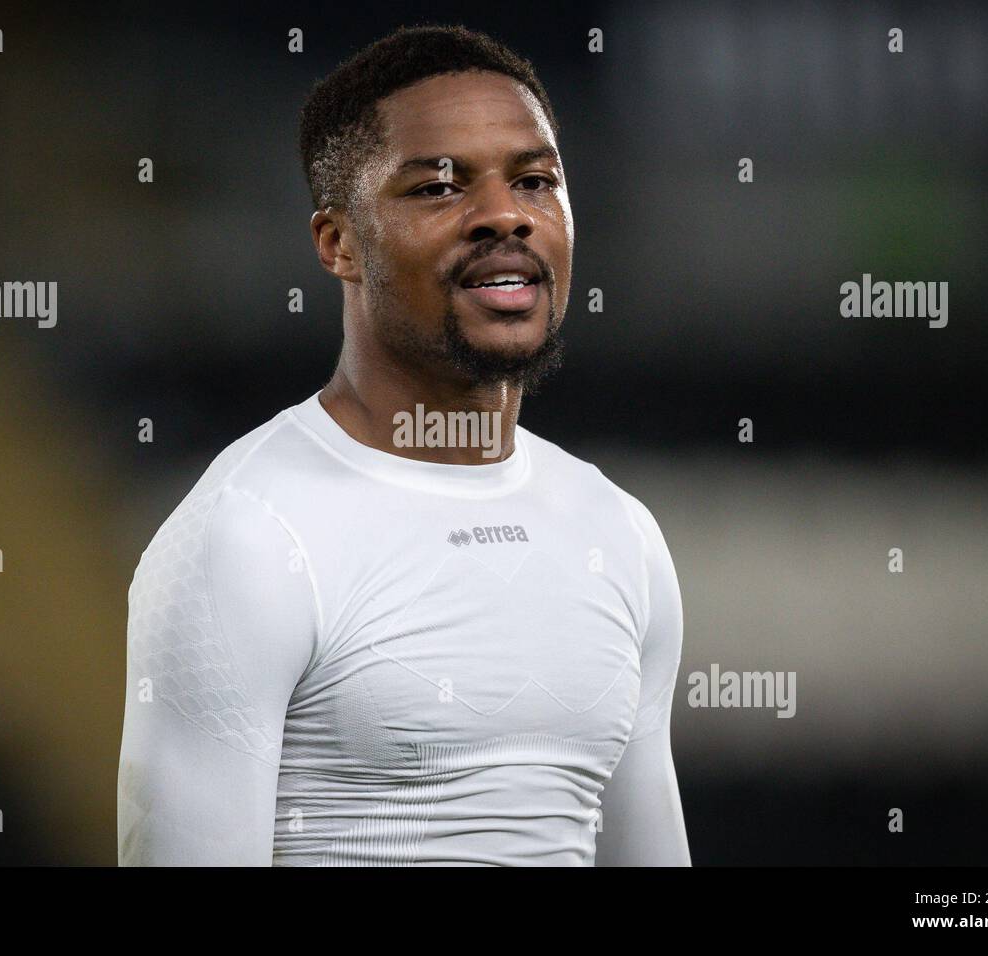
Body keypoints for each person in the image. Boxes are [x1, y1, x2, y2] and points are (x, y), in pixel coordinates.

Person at [118, 24, 690, 866]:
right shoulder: (246, 535)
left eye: (535, 180)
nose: (505, 214)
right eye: (438, 188)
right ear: (338, 243)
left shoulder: (620, 535)